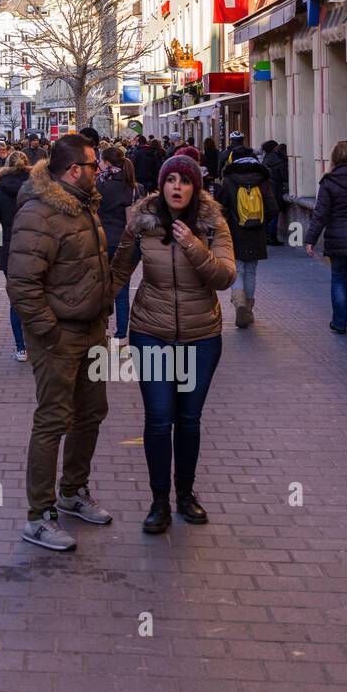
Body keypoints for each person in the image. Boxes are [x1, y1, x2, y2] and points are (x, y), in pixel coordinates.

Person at [111, 153, 235, 534]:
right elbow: (118, 270)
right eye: (170, 180)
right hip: (151, 332)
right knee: (159, 417)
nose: (176, 187)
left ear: (195, 186)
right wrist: (90, 310)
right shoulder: (142, 221)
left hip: (201, 337)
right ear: (161, 185)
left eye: (184, 181)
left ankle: (186, 495)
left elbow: (225, 277)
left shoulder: (212, 223)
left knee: (188, 419)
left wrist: (194, 246)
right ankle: (159, 501)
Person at [6, 134, 113, 553]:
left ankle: (73, 491)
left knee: (92, 413)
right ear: (73, 171)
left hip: (91, 329)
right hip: (58, 335)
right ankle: (39, 516)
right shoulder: (40, 212)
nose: (99, 170)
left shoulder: (86, 204)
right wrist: (49, 331)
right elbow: (22, 283)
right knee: (53, 419)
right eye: (92, 165)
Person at [218, 146, 277, 328]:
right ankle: (249, 309)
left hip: (236, 231)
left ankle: (240, 304)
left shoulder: (228, 180)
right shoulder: (263, 180)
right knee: (251, 270)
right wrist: (260, 222)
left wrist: (230, 223)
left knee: (239, 268)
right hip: (257, 232)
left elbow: (220, 208)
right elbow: (273, 208)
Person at [0, 150, 31, 361]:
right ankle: (36, 342)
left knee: (15, 300)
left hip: (10, 250)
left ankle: (21, 348)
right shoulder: (37, 187)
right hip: (36, 247)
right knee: (37, 295)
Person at [96, 143, 139, 344]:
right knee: (122, 289)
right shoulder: (132, 186)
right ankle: (122, 334)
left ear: (106, 163)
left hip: (102, 241)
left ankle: (102, 328)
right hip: (125, 242)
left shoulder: (99, 185)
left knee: (102, 288)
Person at [305, 140, 347, 335]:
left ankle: (339, 323)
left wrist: (310, 239)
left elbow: (320, 214)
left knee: (339, 279)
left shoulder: (329, 182)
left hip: (338, 238)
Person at [260, 139, 288, 244]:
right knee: (275, 212)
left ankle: (267, 235)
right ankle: (273, 236)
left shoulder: (266, 159)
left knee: (268, 212)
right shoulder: (280, 160)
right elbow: (284, 176)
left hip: (265, 187)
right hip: (277, 188)